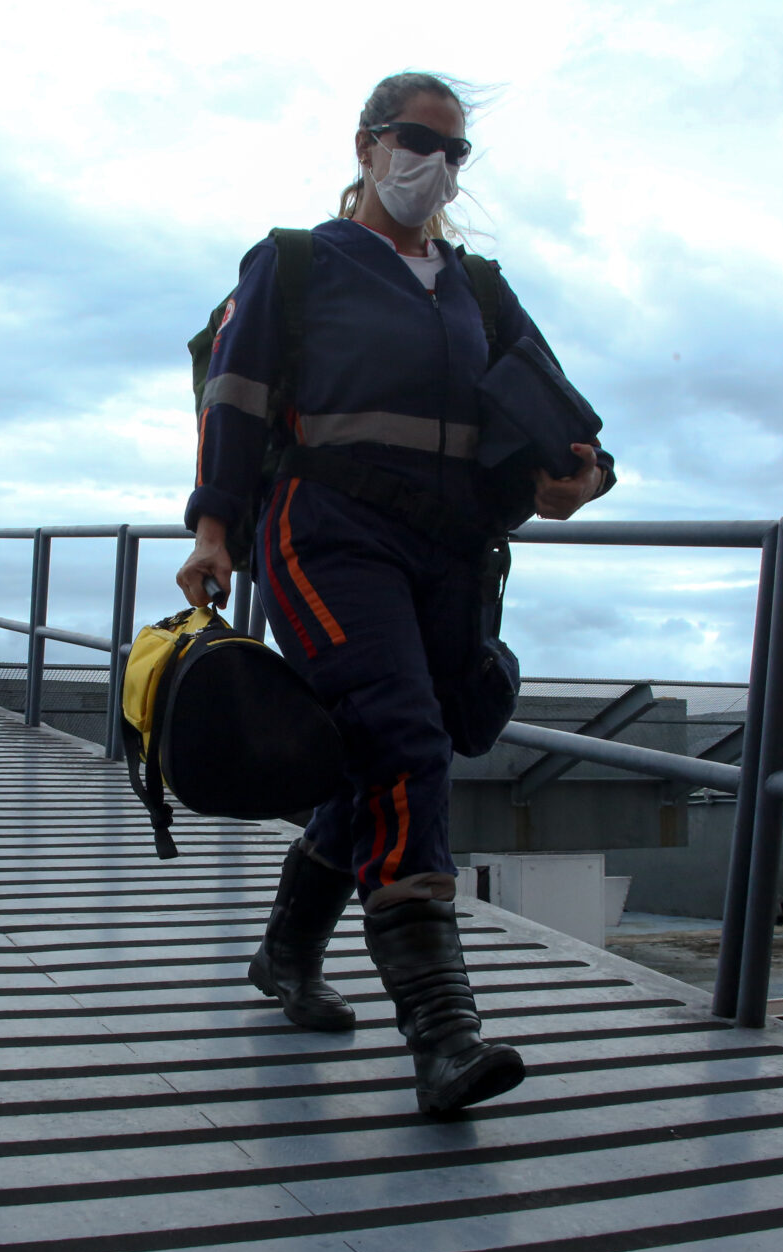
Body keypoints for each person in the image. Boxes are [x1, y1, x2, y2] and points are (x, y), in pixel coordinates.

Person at [175, 72, 610, 1115]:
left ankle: (284, 956)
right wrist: (212, 528)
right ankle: (442, 1035)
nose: (435, 166)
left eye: (454, 151)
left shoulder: (478, 287)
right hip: (324, 532)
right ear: (367, 144)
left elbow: (568, 423)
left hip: (447, 551)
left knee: (385, 746)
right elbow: (235, 401)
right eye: (417, 141)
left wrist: (577, 482)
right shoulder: (296, 264)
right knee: (403, 737)